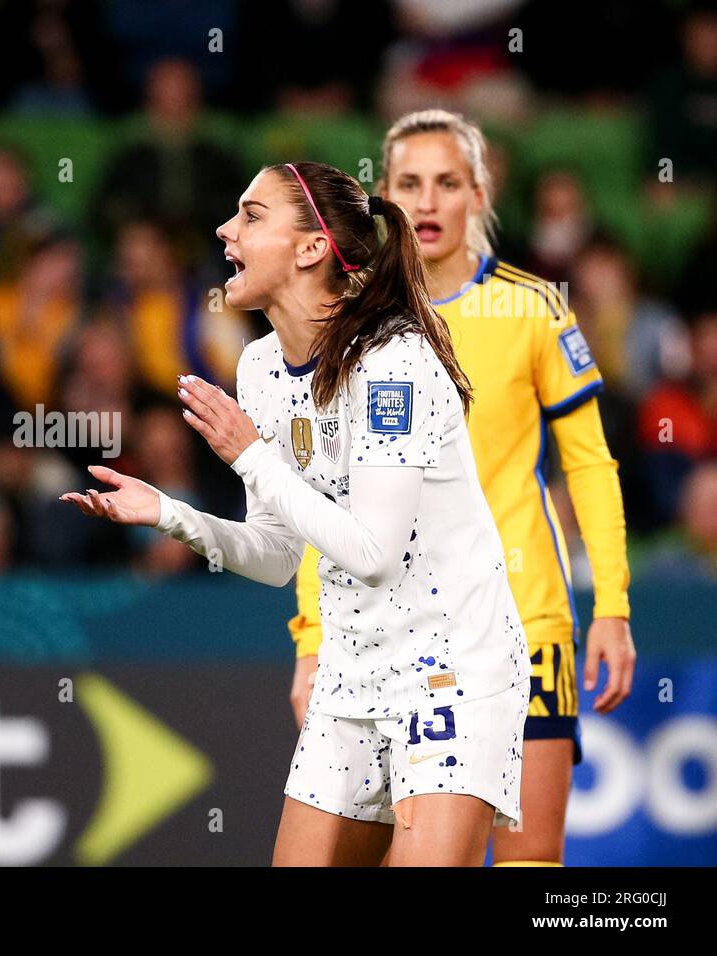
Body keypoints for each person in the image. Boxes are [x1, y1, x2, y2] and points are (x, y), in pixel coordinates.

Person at [63, 159, 531, 866]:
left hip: (450, 673)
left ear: (312, 248)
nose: (225, 231)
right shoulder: (257, 368)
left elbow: (372, 551)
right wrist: (170, 513)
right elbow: (280, 554)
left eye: (251, 216)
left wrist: (252, 456)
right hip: (350, 678)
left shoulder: (391, 363)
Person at [289, 110, 636, 867]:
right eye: (410, 183)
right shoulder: (347, 329)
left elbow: (591, 464)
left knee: (527, 859)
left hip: (526, 619)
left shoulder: (532, 308)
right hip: (385, 638)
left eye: (449, 183)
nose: (430, 201)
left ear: (480, 194)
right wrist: (312, 639)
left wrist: (611, 604)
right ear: (384, 195)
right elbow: (325, 494)